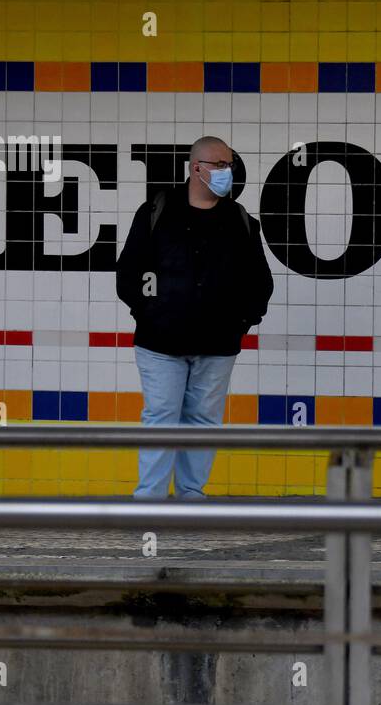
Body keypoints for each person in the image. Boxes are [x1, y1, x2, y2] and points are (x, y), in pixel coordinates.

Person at [115, 136, 273, 500]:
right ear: (196, 168)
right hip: (159, 344)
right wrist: (149, 314)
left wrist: (241, 324)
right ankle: (150, 500)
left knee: (203, 422)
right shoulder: (156, 211)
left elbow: (260, 283)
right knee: (161, 420)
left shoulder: (240, 220)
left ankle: (191, 497)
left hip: (217, 346)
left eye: (229, 164)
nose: (227, 171)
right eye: (219, 164)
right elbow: (128, 274)